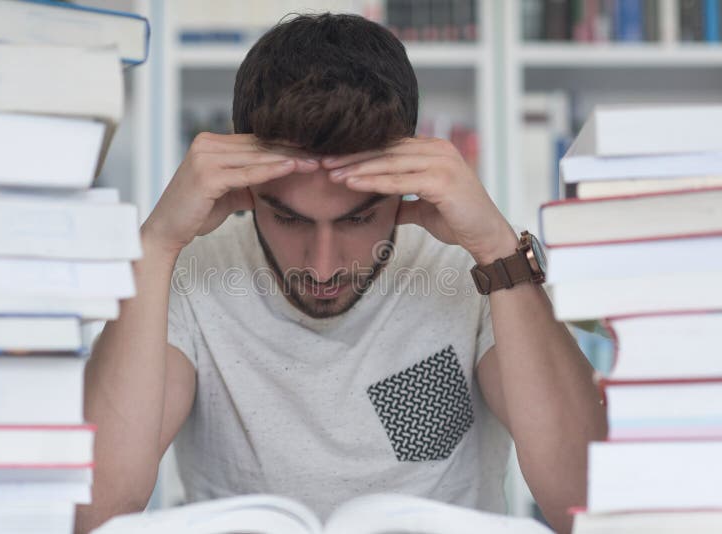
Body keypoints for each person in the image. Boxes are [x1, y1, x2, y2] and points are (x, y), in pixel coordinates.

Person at [77, 13, 606, 534]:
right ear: (245, 191)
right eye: (288, 218)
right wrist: (153, 245)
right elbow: (95, 514)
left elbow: (583, 503)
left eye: (358, 219)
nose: (323, 266)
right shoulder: (191, 273)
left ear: (404, 187)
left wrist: (497, 249)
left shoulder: (475, 273)